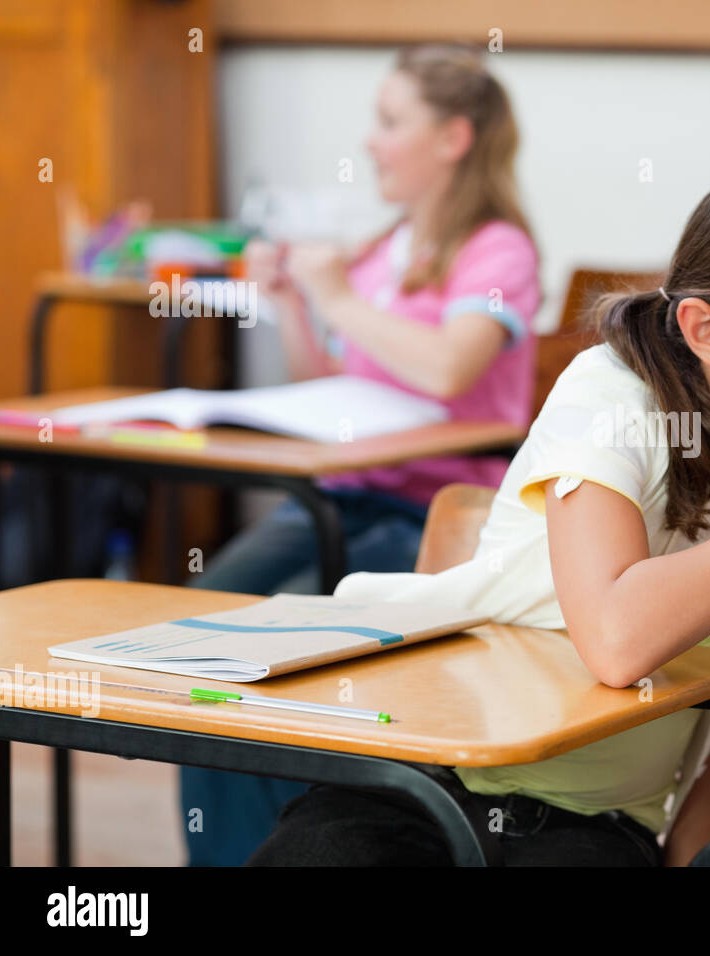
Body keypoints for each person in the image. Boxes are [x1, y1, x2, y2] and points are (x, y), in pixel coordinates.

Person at [245, 159, 710, 866]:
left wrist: (690, 850)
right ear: (706, 330)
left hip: (597, 825)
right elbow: (617, 642)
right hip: (423, 779)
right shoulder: (613, 395)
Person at [182, 45, 541, 866]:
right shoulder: (385, 248)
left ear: (452, 138)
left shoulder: (498, 252)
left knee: (286, 652)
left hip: (432, 512)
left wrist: (338, 295)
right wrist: (294, 304)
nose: (370, 142)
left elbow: (450, 367)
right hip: (339, 497)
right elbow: (336, 388)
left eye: (389, 122)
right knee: (199, 631)